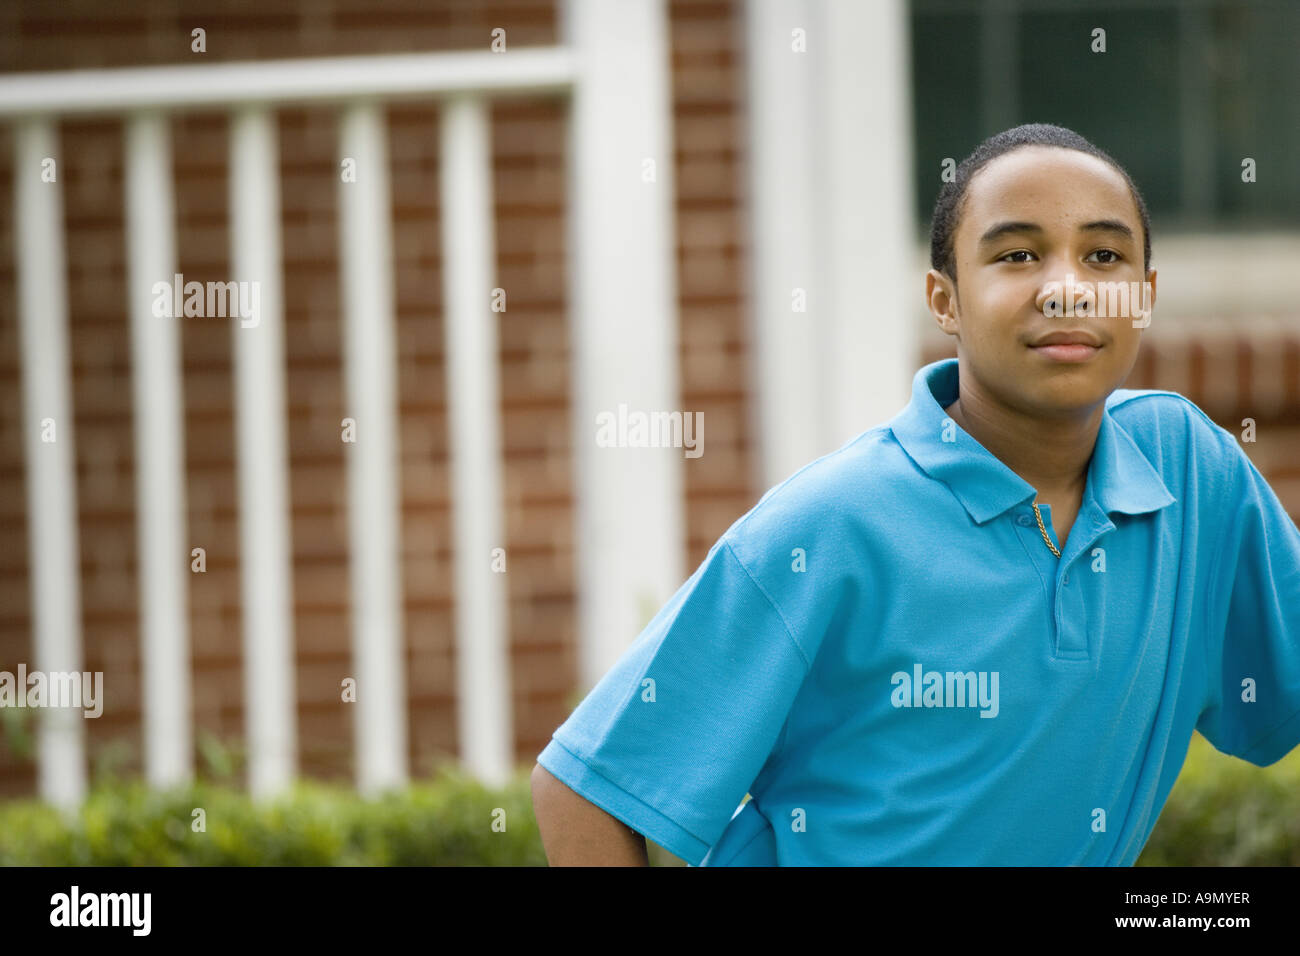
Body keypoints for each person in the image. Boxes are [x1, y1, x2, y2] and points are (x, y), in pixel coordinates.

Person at [530, 123, 1300, 866]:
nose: (1067, 291)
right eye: (1018, 255)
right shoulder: (832, 524)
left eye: (1103, 256)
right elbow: (584, 792)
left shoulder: (1189, 473)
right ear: (945, 301)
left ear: (1144, 295)